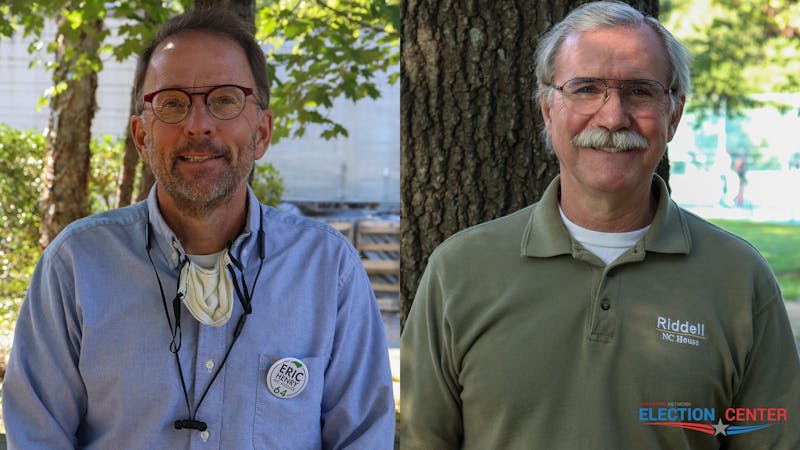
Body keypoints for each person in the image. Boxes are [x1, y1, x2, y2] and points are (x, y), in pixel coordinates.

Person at [400, 2, 800, 449]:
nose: (613, 117)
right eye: (586, 88)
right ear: (548, 109)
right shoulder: (460, 271)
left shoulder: (739, 278)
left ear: (674, 114)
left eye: (640, 92)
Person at [3, 9, 395, 449]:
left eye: (225, 99)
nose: (197, 124)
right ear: (141, 137)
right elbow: (38, 436)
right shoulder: (76, 266)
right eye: (172, 102)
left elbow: (362, 438)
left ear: (262, 132)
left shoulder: (326, 270)